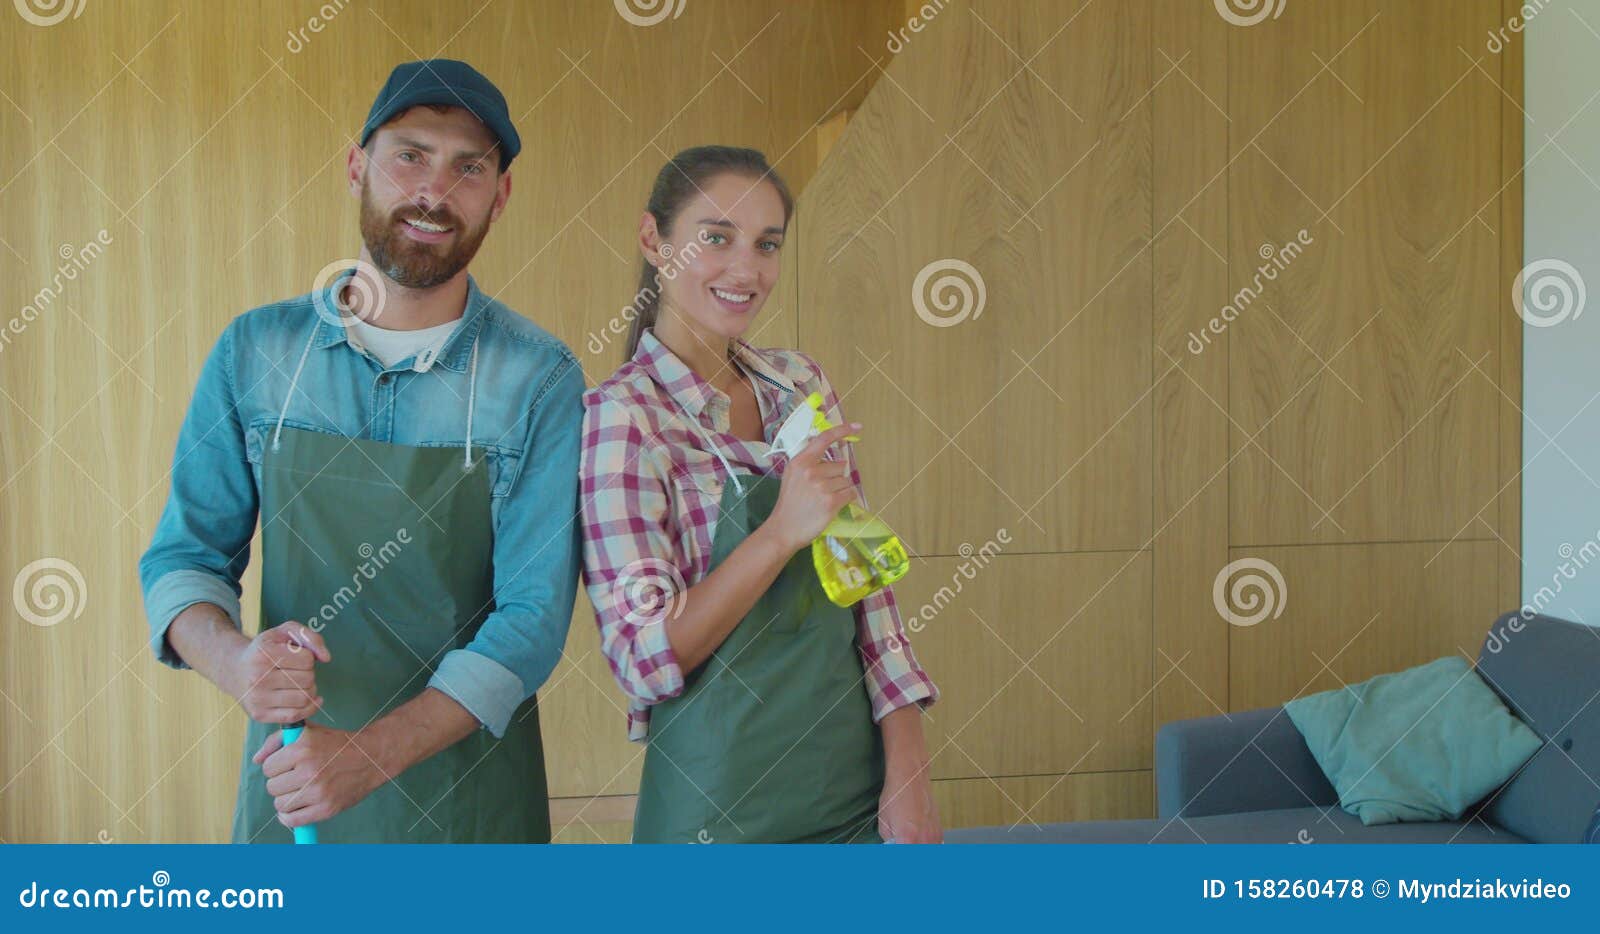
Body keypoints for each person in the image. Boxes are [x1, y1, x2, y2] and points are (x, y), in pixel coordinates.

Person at [138, 59, 584, 843]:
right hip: (294, 799)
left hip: (470, 814)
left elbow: (533, 618)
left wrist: (369, 758)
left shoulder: (537, 378)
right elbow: (184, 559)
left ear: (500, 195)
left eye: (469, 168)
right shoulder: (258, 351)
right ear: (358, 166)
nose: (435, 193)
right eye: (410, 154)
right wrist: (238, 664)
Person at [579, 145, 942, 843]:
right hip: (717, 814)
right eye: (716, 237)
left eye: (766, 245)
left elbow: (870, 593)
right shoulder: (623, 418)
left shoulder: (800, 385)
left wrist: (910, 769)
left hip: (851, 794)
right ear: (655, 241)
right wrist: (780, 531)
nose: (746, 270)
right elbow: (644, 658)